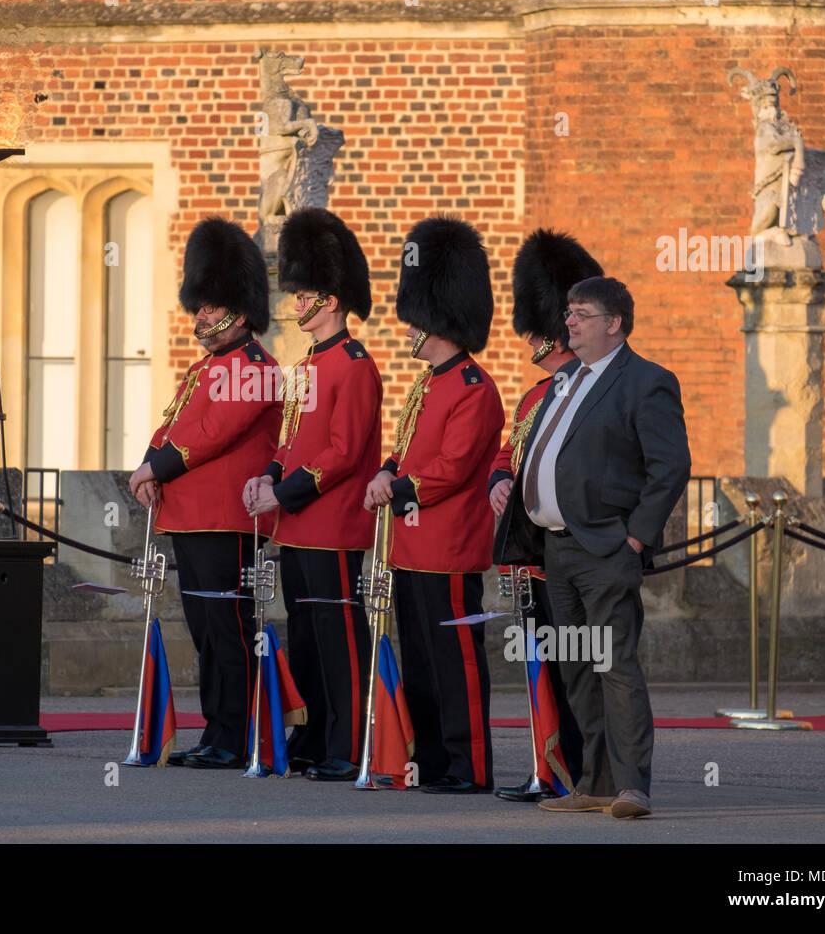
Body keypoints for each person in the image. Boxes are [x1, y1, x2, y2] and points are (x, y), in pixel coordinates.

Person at [494, 275, 690, 819]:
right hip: (556, 549)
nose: (569, 323)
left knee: (615, 664)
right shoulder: (563, 383)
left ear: (614, 323)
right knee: (578, 665)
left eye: (580, 314)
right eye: (569, 312)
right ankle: (595, 782)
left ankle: (632, 786)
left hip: (605, 546)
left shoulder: (646, 381)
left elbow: (670, 465)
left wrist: (636, 535)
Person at [129, 216, 282, 769]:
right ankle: (219, 730)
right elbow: (174, 423)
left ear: (239, 311)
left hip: (226, 519)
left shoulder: (257, 368)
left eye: (210, 307)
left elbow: (216, 432)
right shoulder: (206, 367)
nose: (201, 315)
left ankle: (235, 735)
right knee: (205, 633)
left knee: (228, 632)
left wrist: (158, 468)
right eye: (200, 306)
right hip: (190, 517)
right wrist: (149, 462)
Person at [364, 216, 505, 794]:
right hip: (412, 545)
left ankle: (467, 766)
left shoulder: (475, 388)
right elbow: (409, 448)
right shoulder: (427, 384)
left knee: (456, 664)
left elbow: (450, 468)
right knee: (422, 661)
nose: (409, 334)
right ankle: (433, 760)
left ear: (439, 321)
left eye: (416, 325)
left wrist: (396, 487)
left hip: (448, 545)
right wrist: (386, 469)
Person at [242, 207, 381, 781]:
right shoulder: (306, 365)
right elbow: (292, 439)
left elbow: (344, 453)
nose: (296, 304)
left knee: (340, 643)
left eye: (304, 296)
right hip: (298, 524)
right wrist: (269, 477)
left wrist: (286, 492)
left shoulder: (354, 365)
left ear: (330, 300)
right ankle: (315, 737)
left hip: (333, 524)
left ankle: (348, 746)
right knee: (307, 638)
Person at [487, 229, 600, 802]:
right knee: (543, 669)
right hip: (532, 556)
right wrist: (500, 481)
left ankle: (583, 770)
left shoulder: (585, 389)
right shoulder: (536, 395)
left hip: (571, 553)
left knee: (576, 667)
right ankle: (550, 766)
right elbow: (510, 452)